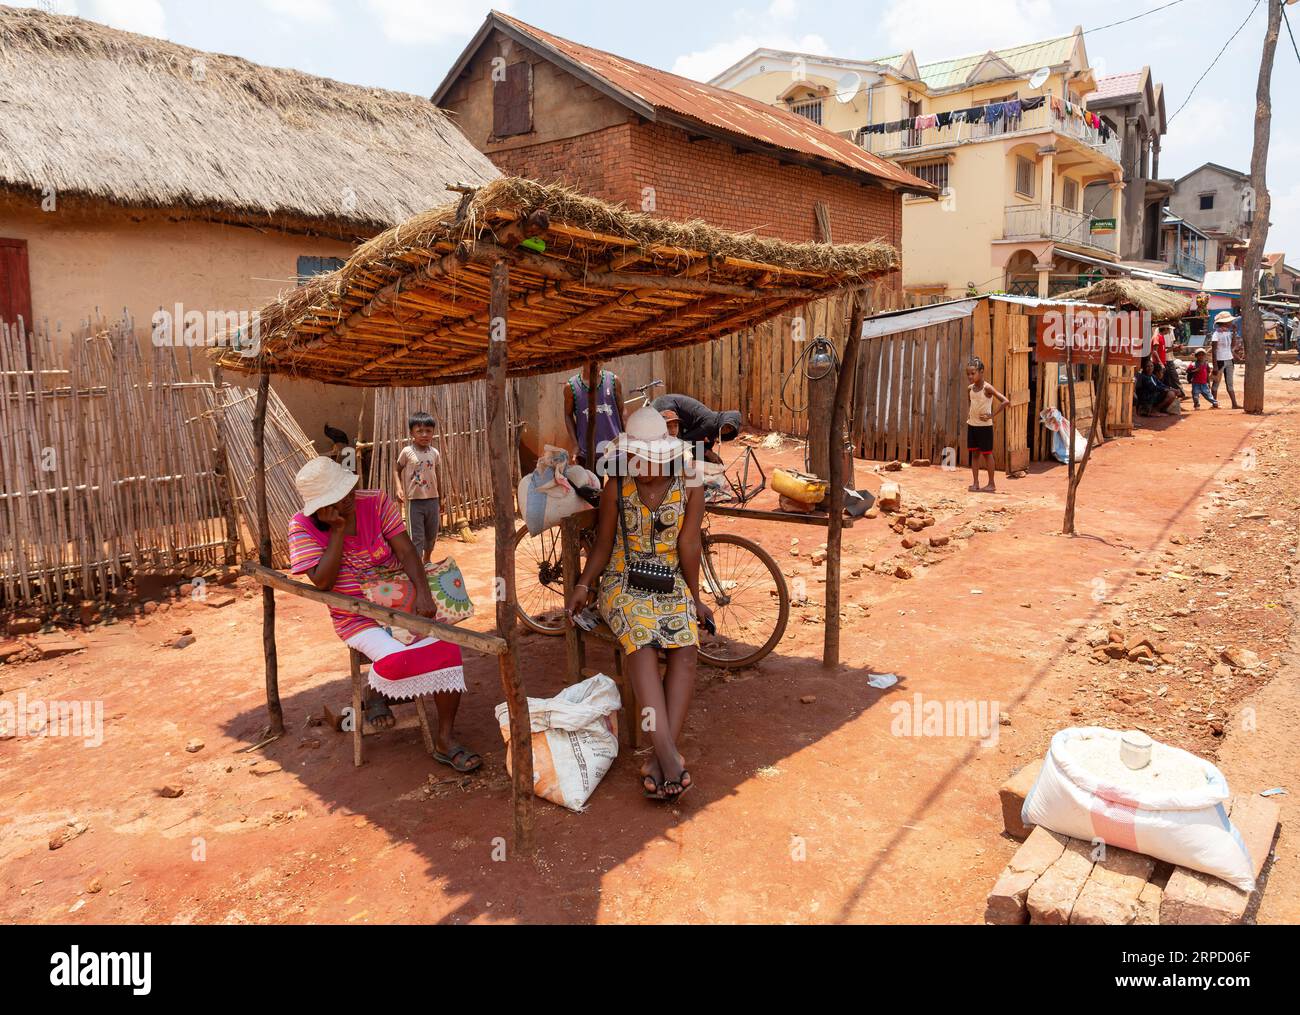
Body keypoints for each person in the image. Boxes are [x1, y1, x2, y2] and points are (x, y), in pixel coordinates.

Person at [288, 457, 481, 772]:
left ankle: (445, 739)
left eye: (348, 487)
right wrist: (337, 531)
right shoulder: (301, 526)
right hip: (356, 617)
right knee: (399, 662)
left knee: (448, 650)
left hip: (400, 601)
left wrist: (423, 593)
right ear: (321, 506)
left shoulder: (375, 501)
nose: (350, 496)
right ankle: (376, 689)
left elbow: (405, 551)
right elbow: (322, 581)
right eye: (339, 495)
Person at [565, 407, 712, 803]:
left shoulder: (691, 484)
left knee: (685, 643)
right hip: (622, 581)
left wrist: (695, 599)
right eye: (633, 456)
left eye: (646, 457)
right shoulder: (617, 486)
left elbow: (688, 545)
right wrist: (583, 583)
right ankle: (670, 759)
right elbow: (603, 544)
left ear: (666, 454)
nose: (638, 465)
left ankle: (658, 761)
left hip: (670, 580)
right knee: (642, 640)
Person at [394, 411, 441, 564]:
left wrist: (442, 495)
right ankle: (418, 565)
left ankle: (427, 560)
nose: (424, 434)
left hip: (433, 500)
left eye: (428, 430)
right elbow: (396, 469)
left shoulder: (435, 453)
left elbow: (437, 474)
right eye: (419, 431)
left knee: (432, 534)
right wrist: (399, 488)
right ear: (412, 433)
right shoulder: (407, 452)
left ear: (433, 432)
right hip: (414, 501)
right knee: (416, 536)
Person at [651, 393, 743, 464]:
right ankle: (673, 480)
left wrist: (710, 455)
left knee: (698, 454)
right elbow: (685, 440)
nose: (726, 430)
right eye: (726, 425)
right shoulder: (710, 425)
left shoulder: (714, 427)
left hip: (670, 407)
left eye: (730, 429)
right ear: (723, 420)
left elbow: (703, 446)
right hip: (665, 406)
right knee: (676, 445)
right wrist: (707, 453)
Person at [964, 356, 1009, 493]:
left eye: (973, 373)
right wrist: (969, 414)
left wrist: (991, 415)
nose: (970, 376)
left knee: (987, 454)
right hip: (972, 426)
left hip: (985, 428)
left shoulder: (987, 388)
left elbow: (1005, 401)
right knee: (975, 455)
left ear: (981, 372)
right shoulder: (970, 389)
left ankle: (991, 484)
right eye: (968, 374)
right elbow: (971, 402)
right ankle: (975, 483)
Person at [564, 369, 625, 468]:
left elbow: (622, 412)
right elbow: (568, 415)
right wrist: (575, 444)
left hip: (615, 450)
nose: (596, 361)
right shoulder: (571, 387)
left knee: (618, 483)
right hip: (587, 453)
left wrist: (626, 439)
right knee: (591, 483)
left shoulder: (613, 381)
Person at [1209, 311, 1240, 409]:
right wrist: (1215, 366)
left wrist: (1234, 333)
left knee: (1230, 383)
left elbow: (1232, 346)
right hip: (1220, 361)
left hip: (1229, 359)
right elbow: (1213, 351)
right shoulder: (1216, 334)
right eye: (1229, 321)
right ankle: (1214, 403)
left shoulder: (1228, 333)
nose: (1231, 323)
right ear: (1225, 323)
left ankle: (1234, 404)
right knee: (1216, 383)